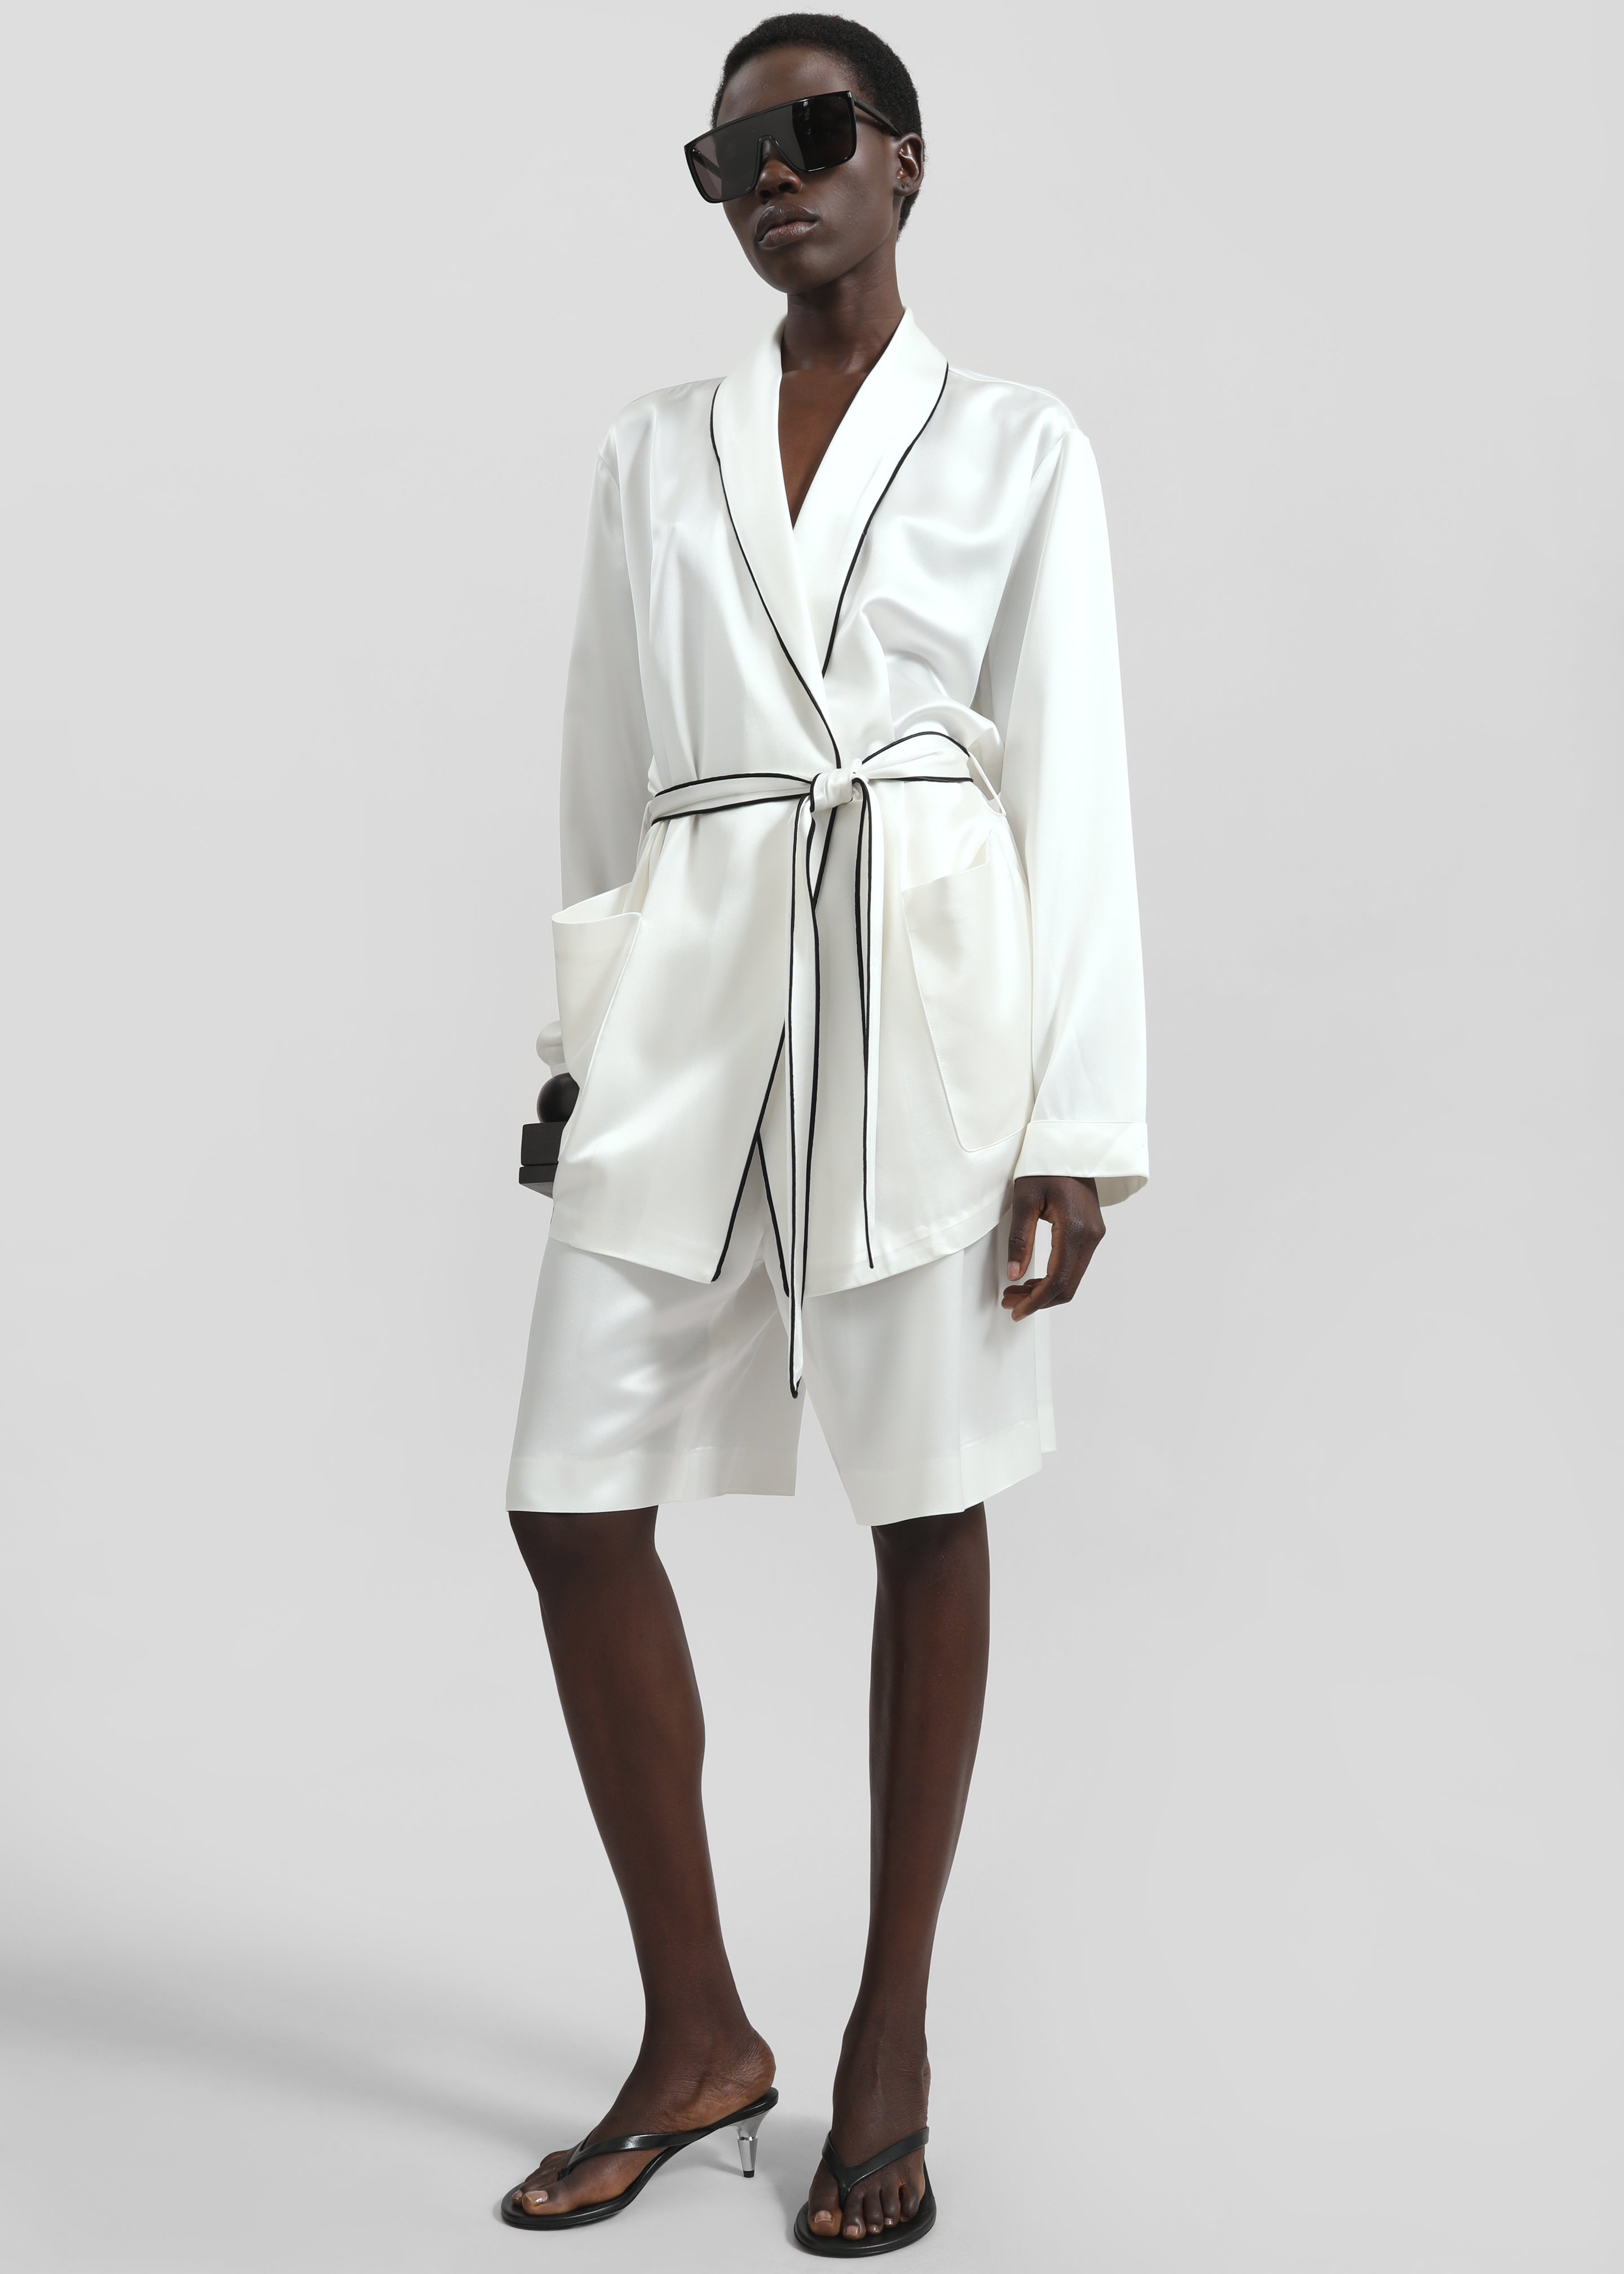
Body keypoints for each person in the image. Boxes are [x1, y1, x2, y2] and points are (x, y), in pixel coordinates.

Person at [501, 11, 1147, 2251]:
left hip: (925, 1009)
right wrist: (583, 1057)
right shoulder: (652, 453)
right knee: (569, 1499)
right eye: (728, 155)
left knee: (926, 1494)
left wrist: (1075, 1120)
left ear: (904, 158)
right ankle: (700, 2035)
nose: (771, 173)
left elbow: (1072, 782)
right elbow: (605, 767)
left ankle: (891, 2035)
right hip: (689, 1000)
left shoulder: (1018, 443)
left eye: (810, 128)